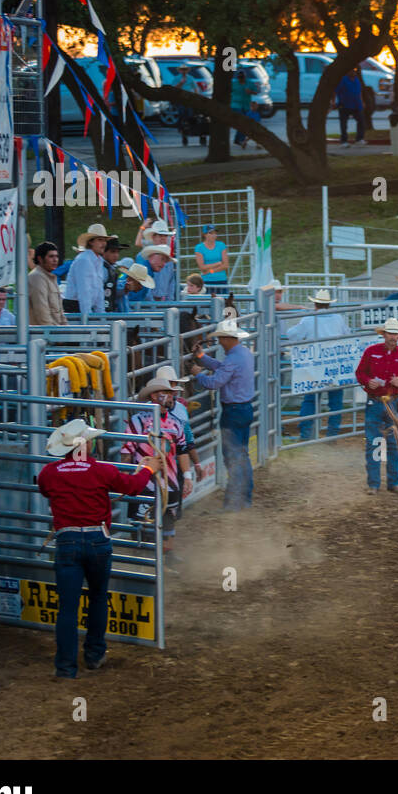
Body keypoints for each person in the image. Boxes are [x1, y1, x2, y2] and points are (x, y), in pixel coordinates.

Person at [36, 419, 162, 678]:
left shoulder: (49, 472)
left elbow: (46, 490)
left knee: (67, 607)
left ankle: (65, 668)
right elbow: (133, 486)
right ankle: (94, 654)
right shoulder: (102, 470)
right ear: (87, 444)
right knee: (97, 597)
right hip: (97, 540)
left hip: (67, 541)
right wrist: (148, 469)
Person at [121, 377, 193, 559]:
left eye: (171, 393)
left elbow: (182, 450)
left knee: (169, 523)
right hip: (145, 483)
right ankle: (146, 560)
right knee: (143, 524)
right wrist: (125, 476)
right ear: (154, 396)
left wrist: (188, 475)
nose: (172, 396)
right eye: (167, 392)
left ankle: (166, 558)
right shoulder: (138, 422)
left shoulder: (176, 422)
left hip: (170, 482)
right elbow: (127, 452)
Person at [190, 319, 256, 512]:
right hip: (243, 409)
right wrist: (202, 357)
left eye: (220, 339)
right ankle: (244, 499)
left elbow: (214, 382)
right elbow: (223, 368)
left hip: (233, 412)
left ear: (228, 338)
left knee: (233, 457)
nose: (219, 342)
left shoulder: (234, 358)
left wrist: (198, 374)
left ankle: (234, 503)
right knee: (241, 455)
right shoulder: (242, 353)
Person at [355, 317, 398, 493]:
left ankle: (393, 482)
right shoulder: (371, 352)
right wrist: (368, 381)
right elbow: (360, 373)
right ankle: (374, 484)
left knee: (394, 443)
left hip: (393, 403)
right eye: (390, 333)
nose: (393, 337)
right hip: (375, 402)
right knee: (374, 443)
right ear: (384, 334)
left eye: (396, 334)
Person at [287, 289, 348, 440]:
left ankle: (306, 434)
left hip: (315, 366)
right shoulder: (338, 319)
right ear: (328, 304)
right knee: (335, 402)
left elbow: (292, 335)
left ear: (315, 304)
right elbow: (348, 335)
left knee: (310, 400)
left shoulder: (309, 319)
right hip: (334, 365)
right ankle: (332, 434)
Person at [63, 224, 112, 316]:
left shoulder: (98, 261)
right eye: (100, 240)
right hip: (75, 308)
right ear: (91, 242)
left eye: (105, 240)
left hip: (83, 308)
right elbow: (84, 292)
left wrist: (101, 315)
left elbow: (99, 292)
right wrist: (87, 319)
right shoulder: (84, 260)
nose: (104, 244)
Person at [29, 241, 66, 326]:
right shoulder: (37, 277)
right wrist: (57, 335)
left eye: (56, 256)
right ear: (40, 259)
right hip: (44, 335)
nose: (55, 260)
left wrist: (67, 332)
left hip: (55, 333)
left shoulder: (51, 277)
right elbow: (42, 314)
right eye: (51, 256)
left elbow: (60, 313)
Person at [335, 71, 366, 147]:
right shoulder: (343, 80)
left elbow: (359, 92)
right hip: (345, 104)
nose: (353, 72)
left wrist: (362, 101)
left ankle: (359, 139)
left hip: (356, 104)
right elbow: (336, 91)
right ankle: (344, 141)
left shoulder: (356, 80)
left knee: (361, 121)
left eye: (354, 70)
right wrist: (333, 101)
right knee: (344, 124)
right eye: (351, 71)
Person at [193, 225, 229, 290]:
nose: (214, 235)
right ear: (205, 235)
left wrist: (211, 271)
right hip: (207, 280)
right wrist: (218, 264)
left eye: (215, 233)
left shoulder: (221, 245)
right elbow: (202, 267)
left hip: (221, 279)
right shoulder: (199, 248)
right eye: (211, 233)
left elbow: (225, 265)